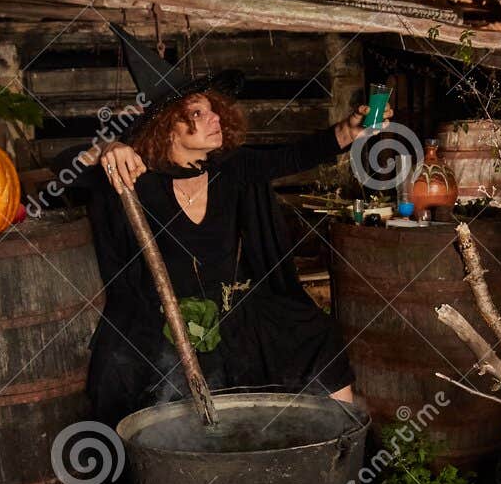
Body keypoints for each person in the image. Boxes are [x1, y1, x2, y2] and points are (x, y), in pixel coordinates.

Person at [61, 27, 392, 429]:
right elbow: (64, 171)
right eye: (197, 114)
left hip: (234, 305)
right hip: (164, 315)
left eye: (212, 109)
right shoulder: (136, 177)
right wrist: (106, 149)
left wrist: (348, 132)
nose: (214, 118)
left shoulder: (228, 169)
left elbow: (290, 156)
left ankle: (340, 442)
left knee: (313, 332)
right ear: (168, 127)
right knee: (141, 367)